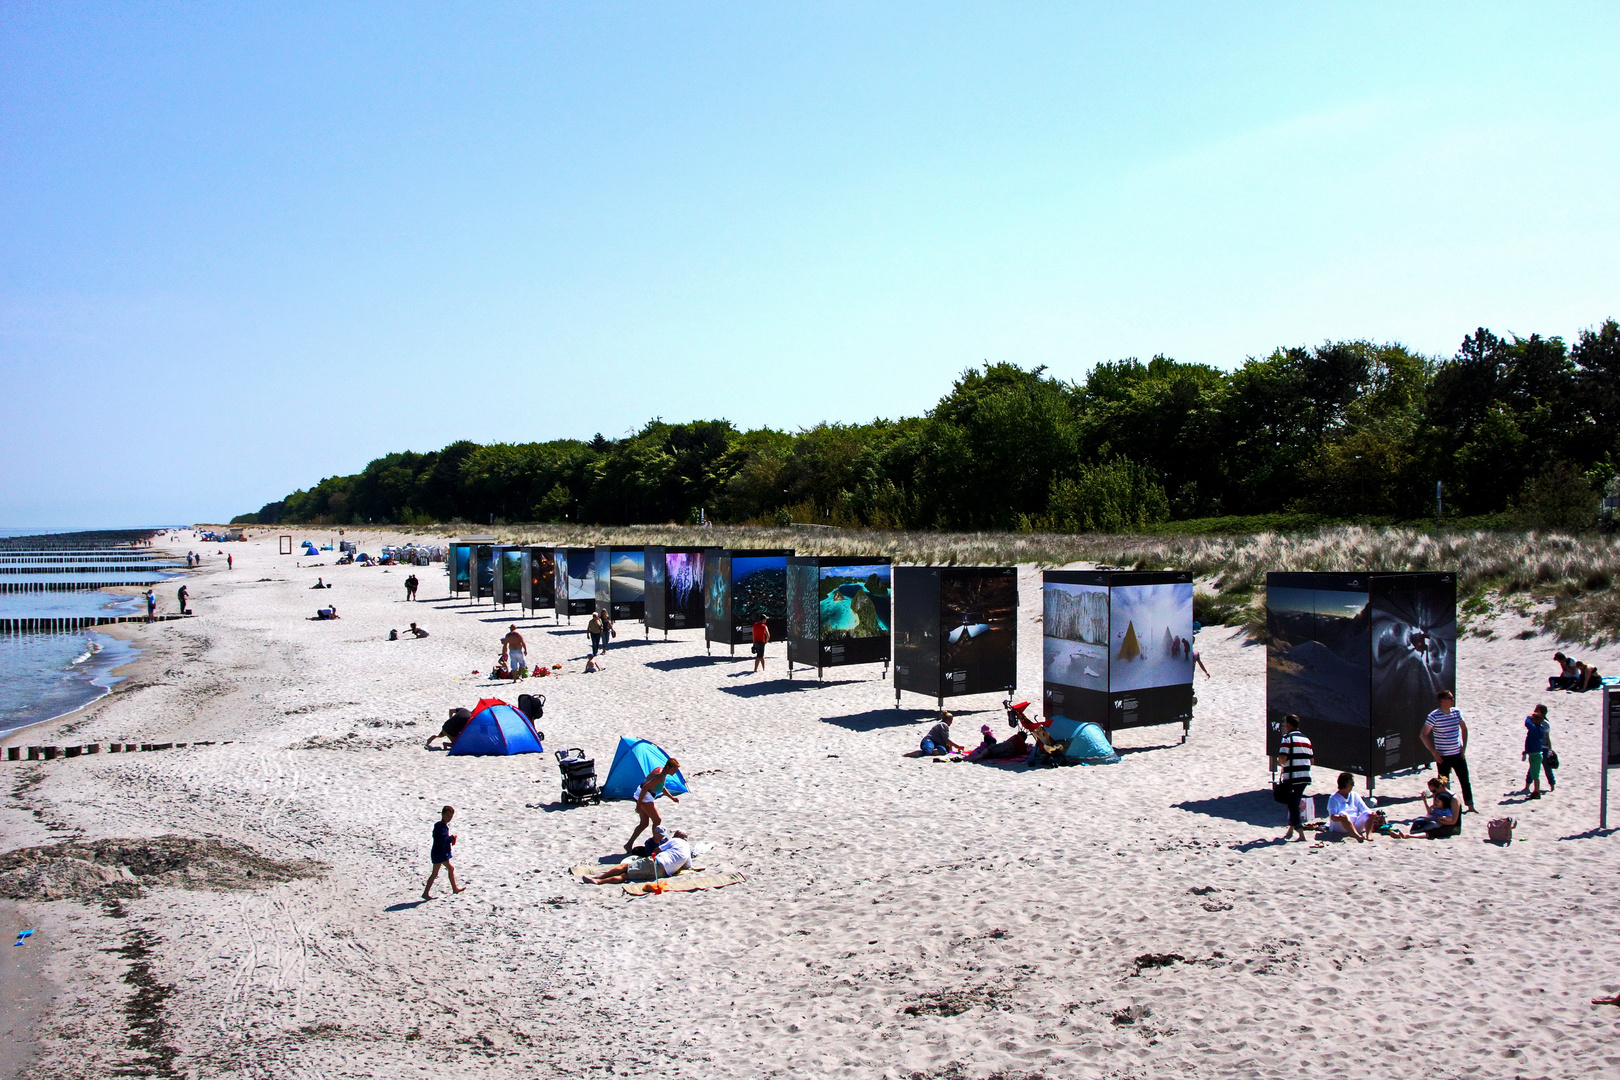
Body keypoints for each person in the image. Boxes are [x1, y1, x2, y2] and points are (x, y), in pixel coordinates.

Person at [1421, 690, 1474, 813]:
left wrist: (1464, 747)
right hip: (1443, 756)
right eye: (1450, 698)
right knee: (1443, 785)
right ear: (1443, 701)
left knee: (1465, 780)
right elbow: (1423, 735)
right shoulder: (1434, 716)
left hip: (1457, 754)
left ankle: (1470, 805)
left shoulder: (1456, 712)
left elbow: (1464, 729)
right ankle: (1446, 807)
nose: (1453, 700)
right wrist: (1434, 752)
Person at [586, 830, 692, 884]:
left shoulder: (675, 840)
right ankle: (600, 880)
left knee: (625, 867)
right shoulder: (687, 849)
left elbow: (657, 850)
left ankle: (599, 879)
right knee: (627, 876)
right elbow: (687, 866)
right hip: (664, 873)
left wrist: (651, 857)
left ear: (677, 836)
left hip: (658, 863)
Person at [625, 760, 681, 853]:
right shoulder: (660, 775)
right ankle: (655, 844)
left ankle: (629, 844)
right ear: (668, 767)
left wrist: (672, 798)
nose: (675, 772)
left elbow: (661, 787)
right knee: (657, 820)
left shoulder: (662, 772)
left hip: (641, 795)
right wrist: (639, 805)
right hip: (644, 797)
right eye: (674, 769)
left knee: (644, 823)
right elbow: (645, 787)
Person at [1273, 713, 1313, 841]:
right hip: (1305, 776)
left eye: (1285, 725)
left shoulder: (1287, 738)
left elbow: (1283, 757)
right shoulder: (1306, 739)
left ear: (1289, 725)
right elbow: (1312, 760)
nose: (1284, 727)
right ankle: (1290, 830)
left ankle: (1300, 833)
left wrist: (1279, 762)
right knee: (1294, 801)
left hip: (1292, 776)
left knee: (1292, 803)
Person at [1326, 772, 1386, 841]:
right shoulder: (1333, 798)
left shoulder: (1355, 795)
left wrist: (1372, 813)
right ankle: (1356, 836)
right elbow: (1332, 816)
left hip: (1355, 824)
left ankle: (1368, 834)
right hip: (1340, 826)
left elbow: (1364, 809)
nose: (1353, 785)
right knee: (1343, 813)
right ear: (1345, 784)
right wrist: (1340, 817)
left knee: (1369, 813)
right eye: (1351, 784)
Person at [422, 805, 464, 899]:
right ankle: (425, 893)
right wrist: (452, 837)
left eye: (451, 817)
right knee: (435, 873)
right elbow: (443, 840)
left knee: (450, 869)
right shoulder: (441, 827)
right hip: (439, 854)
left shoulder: (439, 825)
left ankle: (454, 888)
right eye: (447, 816)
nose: (449, 818)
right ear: (443, 814)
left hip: (439, 853)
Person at [1522, 704, 1554, 797]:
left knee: (1544, 768)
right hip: (1537, 750)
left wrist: (1528, 717)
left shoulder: (1538, 727)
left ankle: (1538, 791)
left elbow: (1528, 724)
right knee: (1533, 770)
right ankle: (1528, 786)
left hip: (1540, 749)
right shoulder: (1540, 727)